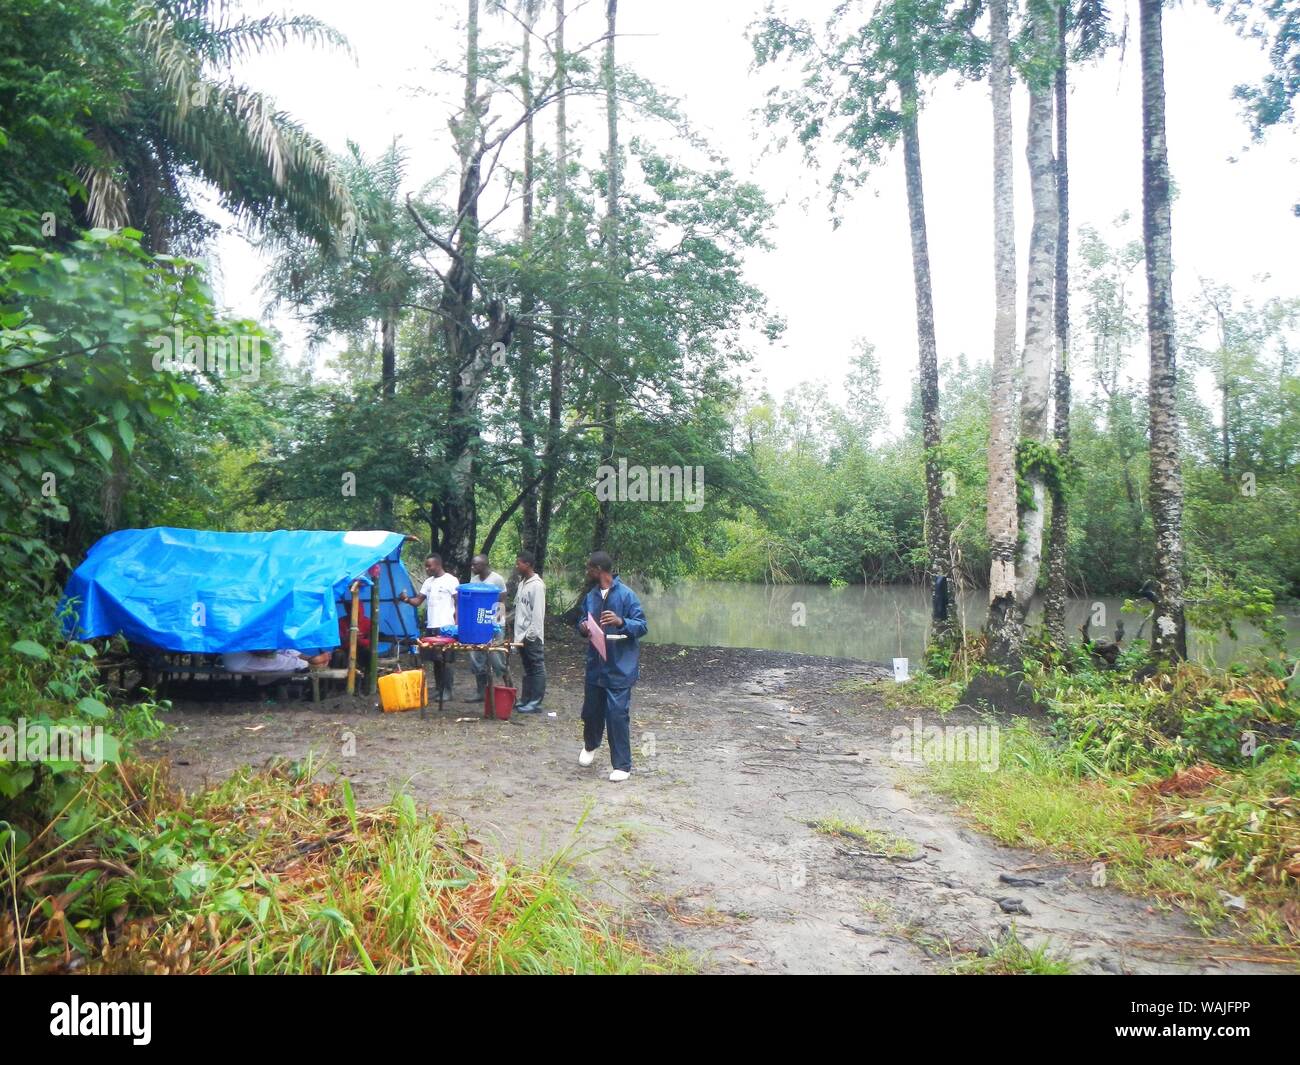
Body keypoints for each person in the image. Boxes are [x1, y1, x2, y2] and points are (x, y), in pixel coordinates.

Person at [575, 551, 647, 781]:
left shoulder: (627, 595)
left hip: (619, 667)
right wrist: (583, 626)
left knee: (616, 714)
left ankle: (622, 765)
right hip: (595, 665)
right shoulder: (592, 595)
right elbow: (581, 619)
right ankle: (590, 745)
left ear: (599, 570)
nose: (587, 572)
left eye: (589, 568)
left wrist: (621, 622)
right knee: (591, 711)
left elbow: (642, 626)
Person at [398, 554, 459, 698]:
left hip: (446, 626)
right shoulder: (428, 582)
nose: (427, 568)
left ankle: (448, 691)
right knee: (436, 659)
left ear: (438, 565)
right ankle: (439, 689)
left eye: (429, 566)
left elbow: (459, 602)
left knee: (447, 659)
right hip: (432, 626)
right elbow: (418, 601)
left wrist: (457, 623)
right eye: (426, 566)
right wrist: (406, 599)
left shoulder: (451, 580)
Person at [465, 553, 508, 703]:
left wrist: (497, 620)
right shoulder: (474, 580)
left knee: (496, 657)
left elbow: (502, 599)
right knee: (476, 656)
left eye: (475, 565)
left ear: (484, 565)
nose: (472, 567)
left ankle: (508, 687)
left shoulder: (497, 579)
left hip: (494, 623)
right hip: (479, 623)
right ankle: (481, 691)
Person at [512, 550, 546, 714]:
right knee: (527, 668)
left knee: (537, 667)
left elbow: (538, 614)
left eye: (519, 563)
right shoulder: (522, 583)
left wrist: (530, 636)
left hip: (531, 636)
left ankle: (535, 702)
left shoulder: (537, 585)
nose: (517, 566)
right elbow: (520, 609)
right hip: (520, 636)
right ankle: (525, 699)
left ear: (528, 565)